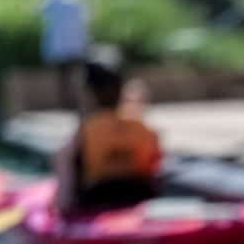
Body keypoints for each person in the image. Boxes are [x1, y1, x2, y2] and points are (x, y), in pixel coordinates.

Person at [53, 59, 163, 216]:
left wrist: (62, 210)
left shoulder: (84, 132)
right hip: (141, 197)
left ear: (88, 94)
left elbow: (65, 189)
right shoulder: (143, 128)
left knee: (63, 157)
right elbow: (155, 168)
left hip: (96, 202)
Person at [41, 0, 89, 111]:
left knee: (64, 78)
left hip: (61, 48)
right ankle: (75, 102)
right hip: (75, 46)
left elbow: (41, 11)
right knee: (75, 76)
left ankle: (67, 103)